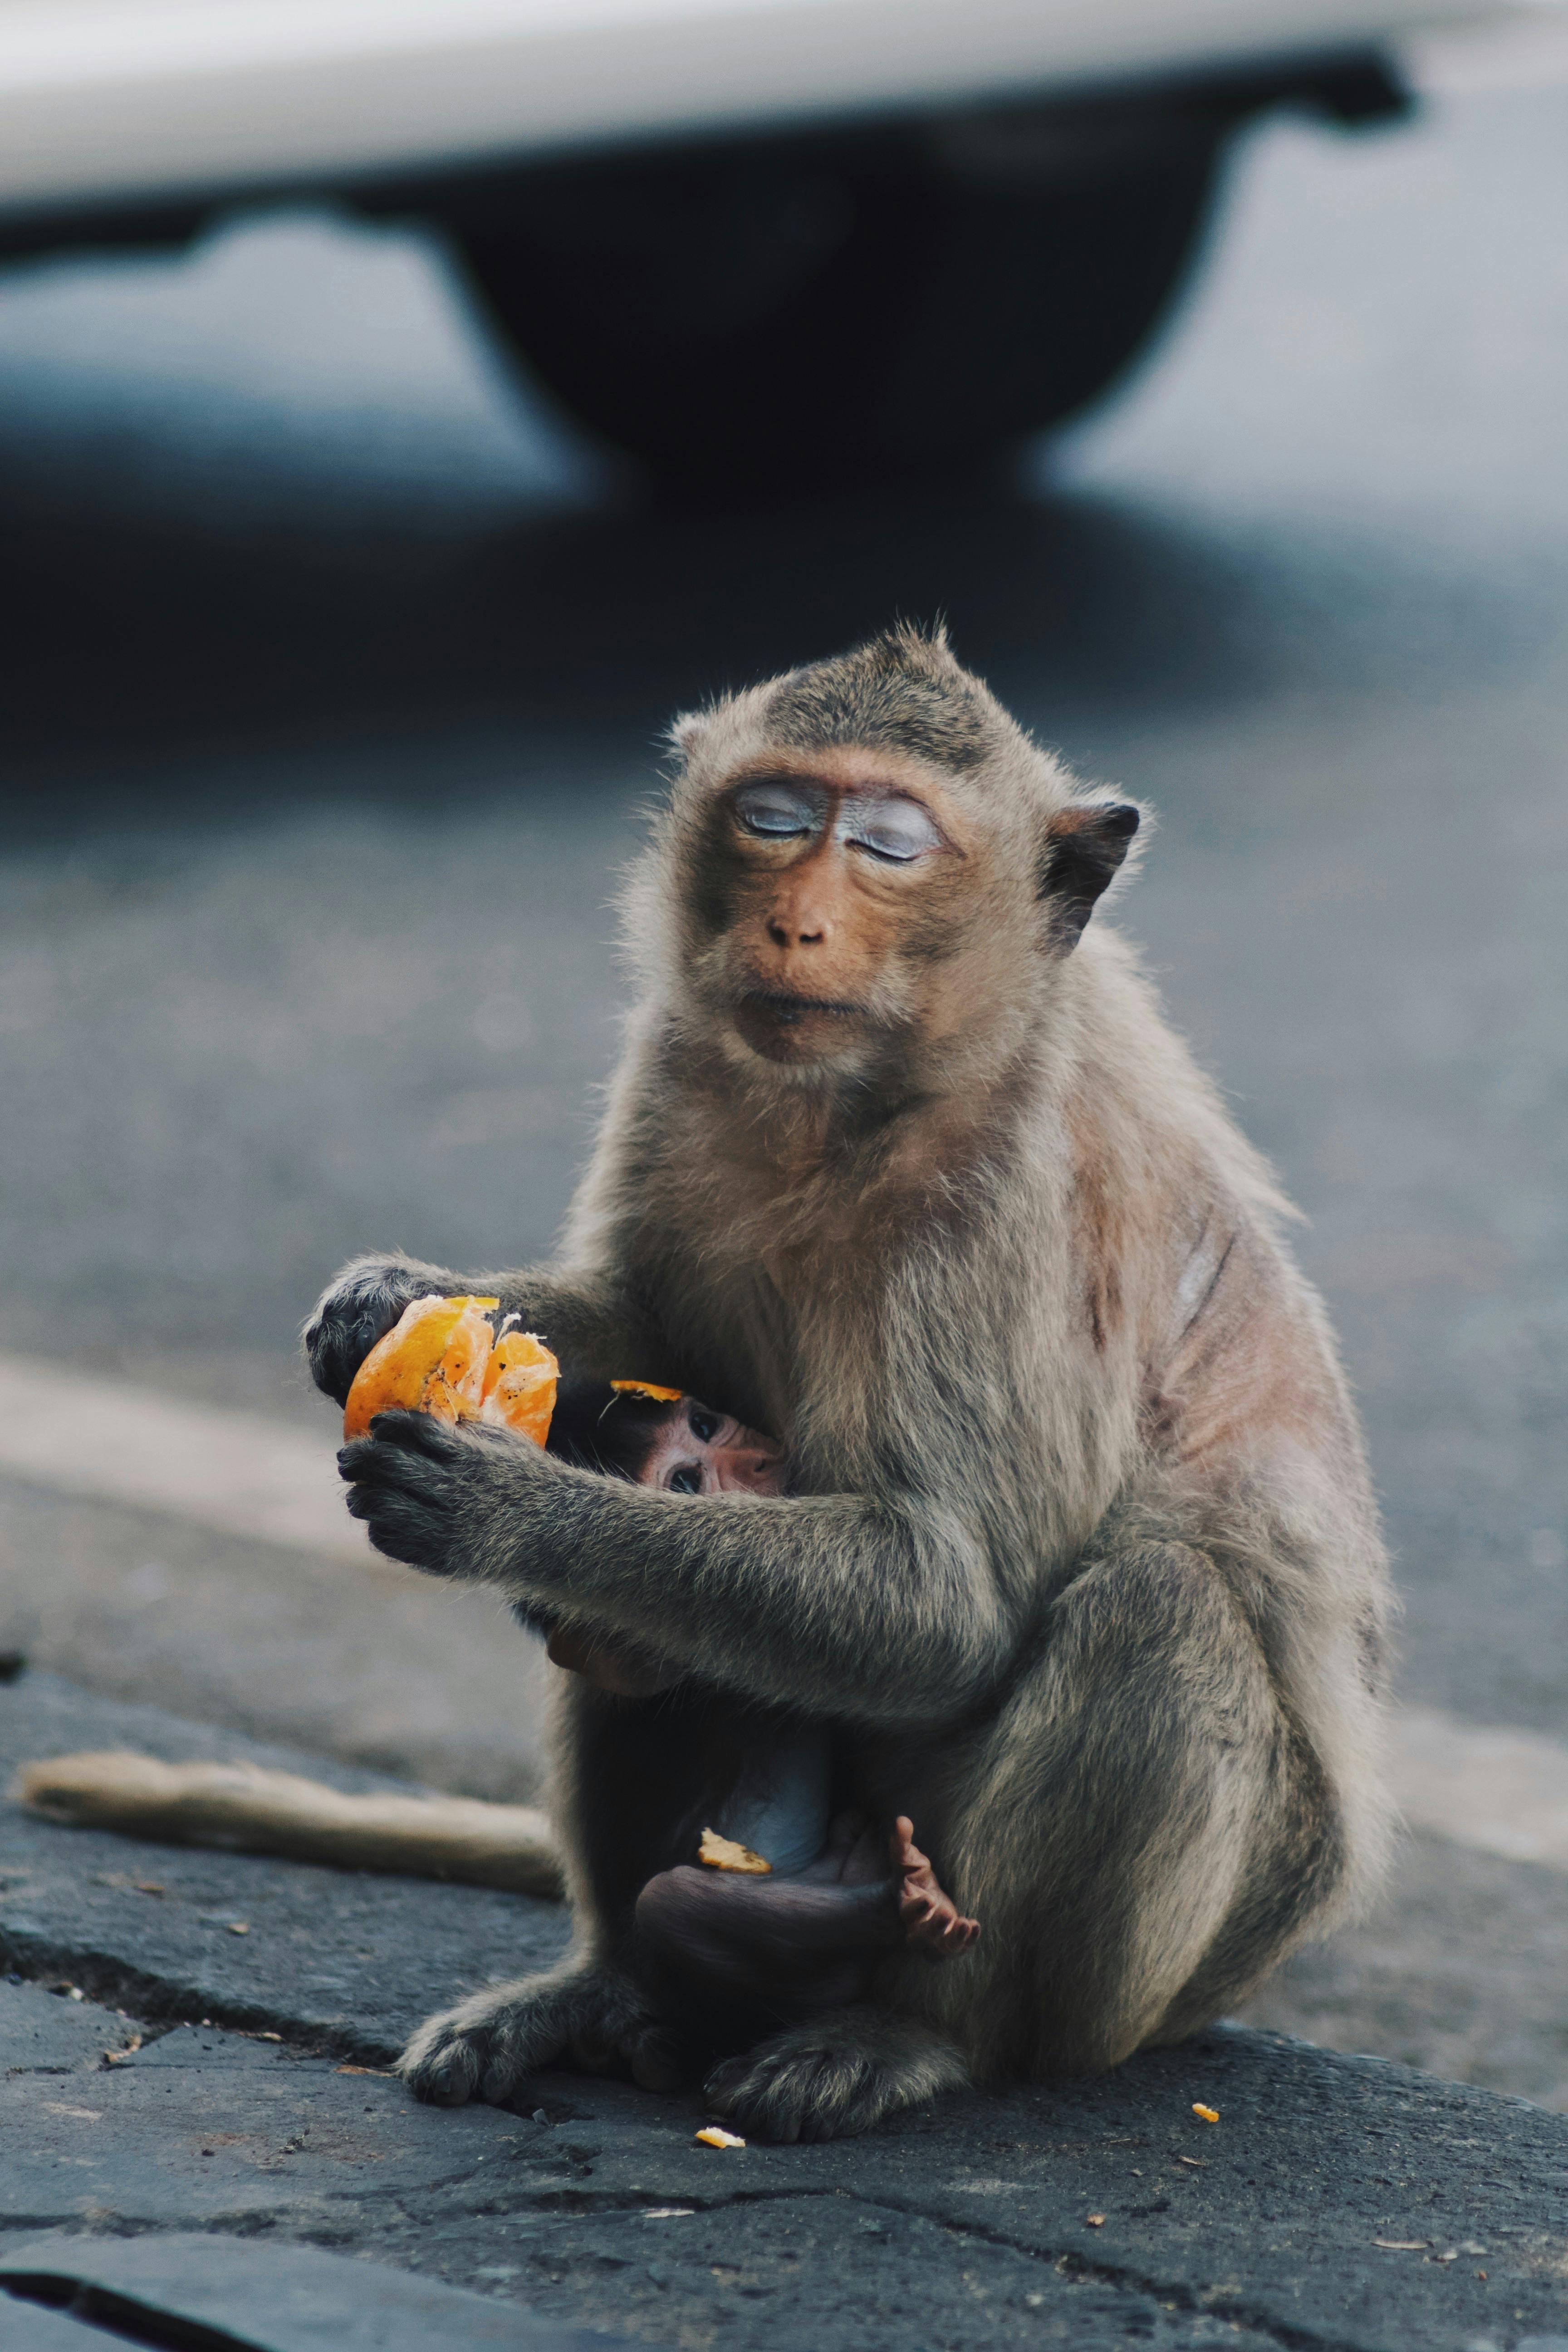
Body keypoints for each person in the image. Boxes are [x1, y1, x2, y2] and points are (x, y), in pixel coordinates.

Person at [539, 1379, 980, 2024]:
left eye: (709, 1423)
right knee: (611, 1597)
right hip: (762, 1918)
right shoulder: (636, 1667)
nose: (755, 1459)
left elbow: (944, 1624)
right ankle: (615, 1967)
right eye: (687, 1482)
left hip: (865, 1851)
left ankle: (913, 1980)